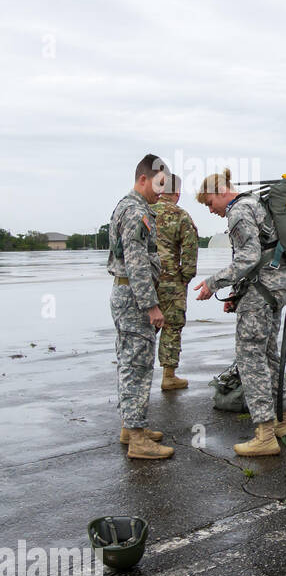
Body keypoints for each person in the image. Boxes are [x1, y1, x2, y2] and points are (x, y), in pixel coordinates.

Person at [194, 168, 286, 458]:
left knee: (250, 357)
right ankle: (282, 421)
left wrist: (213, 284)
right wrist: (238, 296)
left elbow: (248, 258)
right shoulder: (255, 204)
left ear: (218, 192)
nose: (211, 210)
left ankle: (264, 434)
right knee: (269, 355)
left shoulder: (238, 211)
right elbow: (261, 254)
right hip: (275, 288)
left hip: (263, 291)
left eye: (208, 203)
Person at [109, 153, 172, 460]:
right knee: (137, 365)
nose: (161, 191)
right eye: (159, 184)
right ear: (143, 178)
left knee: (129, 360)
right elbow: (136, 264)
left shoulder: (131, 206)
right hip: (135, 300)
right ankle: (137, 439)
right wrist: (151, 306)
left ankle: (130, 426)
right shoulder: (136, 212)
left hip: (126, 296)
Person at [154, 172, 199, 389]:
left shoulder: (144, 211)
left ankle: (139, 376)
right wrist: (185, 277)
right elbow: (190, 250)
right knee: (172, 326)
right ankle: (168, 376)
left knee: (143, 328)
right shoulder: (181, 216)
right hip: (171, 281)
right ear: (177, 193)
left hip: (143, 280)